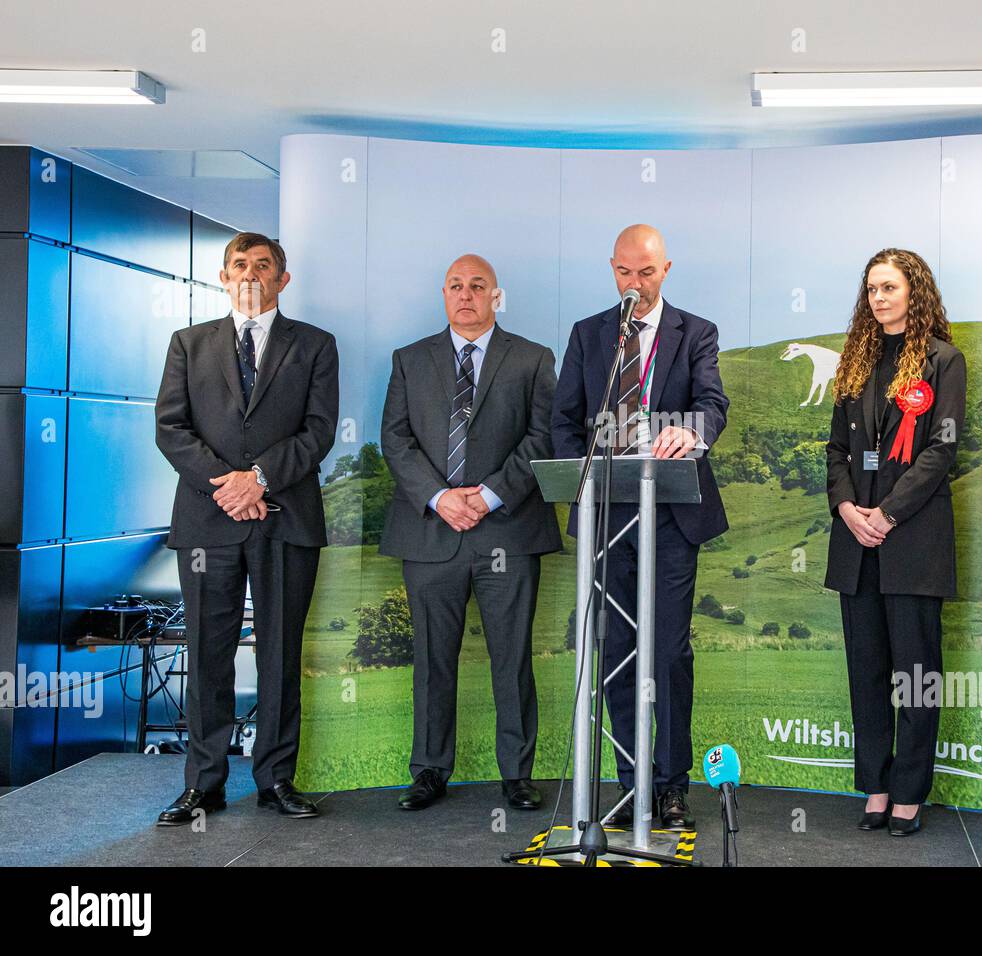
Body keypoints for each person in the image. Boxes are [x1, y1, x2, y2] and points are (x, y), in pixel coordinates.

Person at [155, 232, 339, 825]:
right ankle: (203, 784)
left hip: (285, 521)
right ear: (223, 274)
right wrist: (230, 486)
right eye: (241, 264)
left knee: (281, 653)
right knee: (207, 654)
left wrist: (258, 478)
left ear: (283, 279)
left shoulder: (315, 345)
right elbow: (172, 429)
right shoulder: (189, 344)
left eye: (264, 265)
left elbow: (318, 432)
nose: (251, 273)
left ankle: (275, 779)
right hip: (209, 524)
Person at [551, 224, 728, 830]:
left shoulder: (695, 332)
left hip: (672, 514)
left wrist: (692, 432)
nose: (635, 283)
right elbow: (564, 421)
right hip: (607, 516)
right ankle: (631, 784)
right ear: (612, 269)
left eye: (646, 272)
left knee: (669, 651)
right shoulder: (589, 334)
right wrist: (584, 471)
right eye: (625, 272)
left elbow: (712, 404)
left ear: (667, 269)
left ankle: (672, 785)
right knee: (618, 652)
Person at [379, 254, 560, 812]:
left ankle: (517, 774)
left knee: (512, 656)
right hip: (432, 531)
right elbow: (395, 439)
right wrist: (441, 498)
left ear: (495, 295)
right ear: (443, 293)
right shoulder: (410, 360)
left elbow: (542, 438)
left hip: (506, 529)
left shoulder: (532, 359)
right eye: (455, 285)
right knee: (433, 659)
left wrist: (486, 496)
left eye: (477, 286)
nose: (466, 295)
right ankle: (430, 771)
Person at [825, 248, 966, 837]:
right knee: (867, 675)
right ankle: (876, 788)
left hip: (911, 543)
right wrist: (847, 508)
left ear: (916, 291)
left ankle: (910, 793)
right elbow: (835, 451)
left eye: (889, 287)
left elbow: (943, 451)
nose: (878, 298)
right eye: (871, 289)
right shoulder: (854, 362)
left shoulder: (944, 360)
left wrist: (885, 513)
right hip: (856, 544)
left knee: (914, 677)